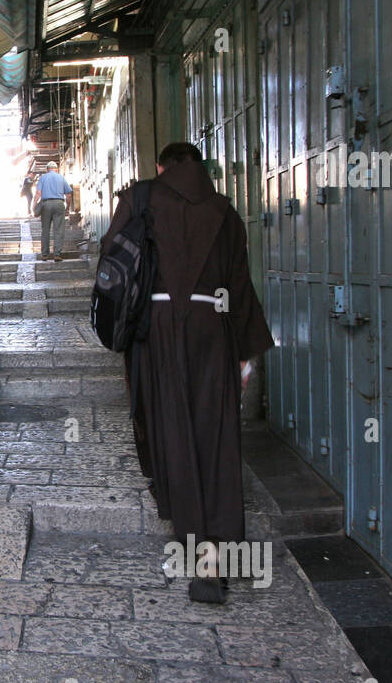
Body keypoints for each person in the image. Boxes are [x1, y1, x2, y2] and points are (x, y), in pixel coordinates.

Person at [100, 142, 274, 605]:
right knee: (216, 438)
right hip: (213, 328)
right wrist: (244, 354)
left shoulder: (140, 198)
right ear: (199, 167)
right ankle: (216, 560)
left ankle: (190, 536)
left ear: (161, 166)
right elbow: (240, 283)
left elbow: (112, 262)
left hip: (155, 330)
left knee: (169, 429)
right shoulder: (223, 210)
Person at [34, 161, 72, 260]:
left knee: (45, 230)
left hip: (46, 204)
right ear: (56, 169)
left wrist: (34, 205)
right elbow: (68, 195)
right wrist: (68, 207)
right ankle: (57, 254)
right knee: (59, 230)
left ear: (47, 169)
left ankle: (45, 254)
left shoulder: (43, 178)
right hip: (59, 204)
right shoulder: (61, 178)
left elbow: (38, 193)